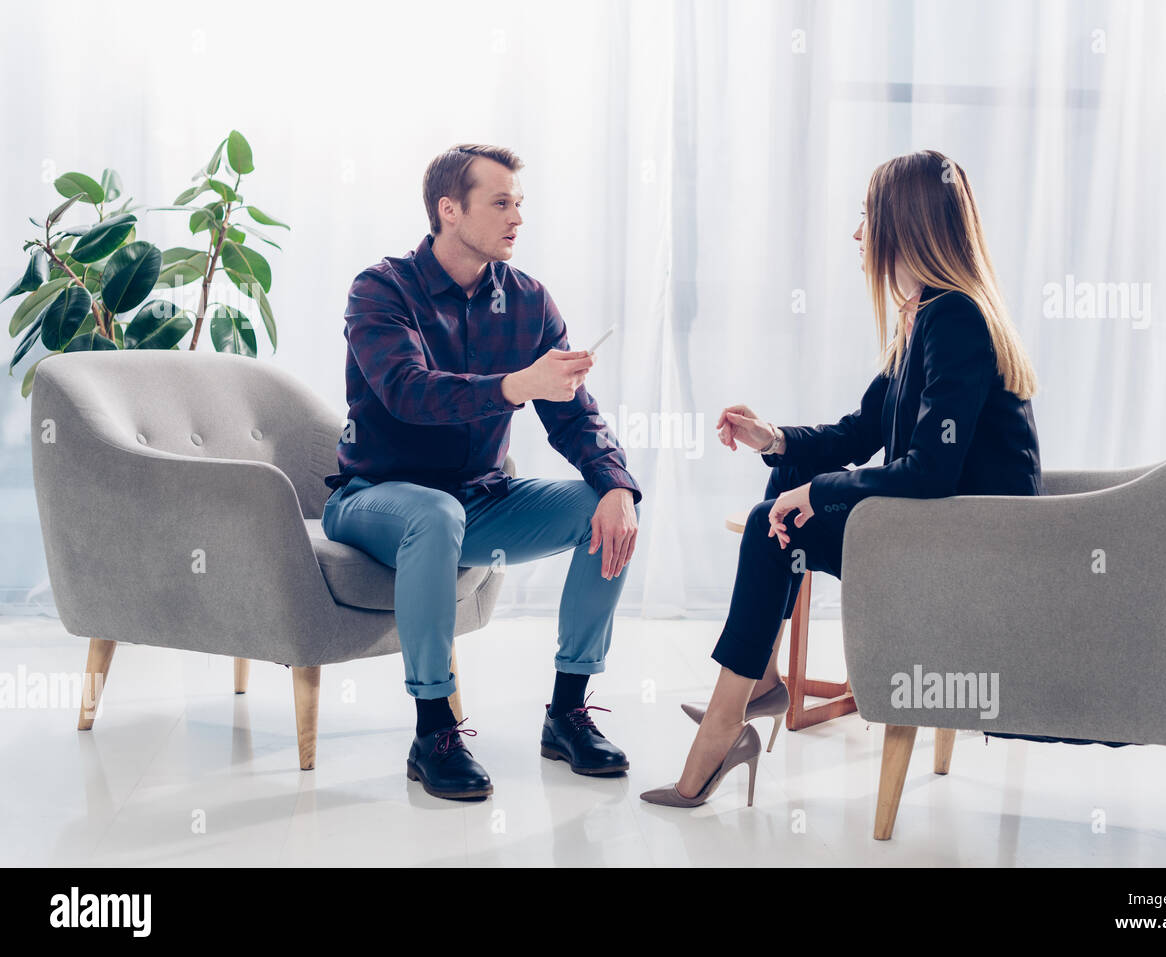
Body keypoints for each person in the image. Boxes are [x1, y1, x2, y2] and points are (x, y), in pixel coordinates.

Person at [641, 149, 1045, 808]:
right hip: (945, 529)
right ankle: (762, 680)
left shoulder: (957, 320)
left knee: (780, 521)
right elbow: (859, 432)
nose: (857, 234)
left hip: (974, 547)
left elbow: (932, 471)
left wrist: (818, 492)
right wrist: (773, 439)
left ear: (901, 224)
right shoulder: (925, 316)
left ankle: (723, 727)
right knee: (788, 486)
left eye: (866, 217)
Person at [323, 144, 641, 801]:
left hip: (479, 502)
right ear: (449, 209)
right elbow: (409, 391)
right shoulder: (381, 289)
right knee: (435, 515)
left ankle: (567, 712)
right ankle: (434, 730)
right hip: (375, 499)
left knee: (603, 508)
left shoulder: (527, 302)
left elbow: (574, 417)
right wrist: (519, 383)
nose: (517, 217)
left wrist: (615, 484)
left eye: (519, 203)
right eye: (500, 202)